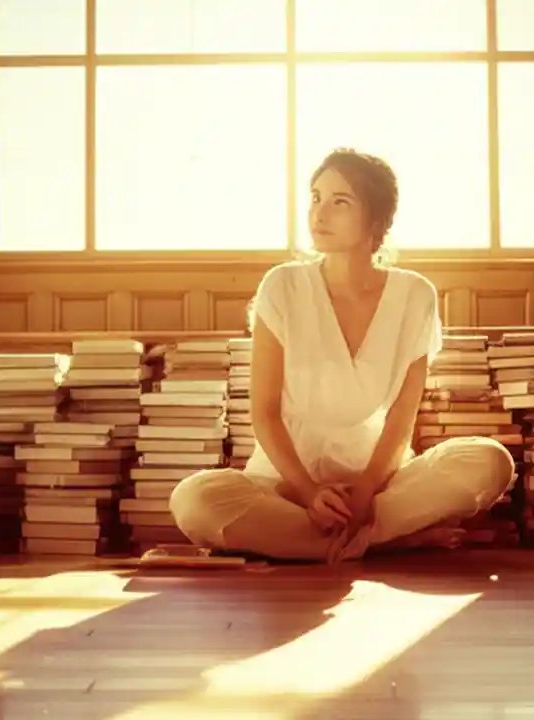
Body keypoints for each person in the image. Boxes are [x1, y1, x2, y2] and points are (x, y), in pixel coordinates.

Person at [168, 148, 516, 563]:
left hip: (378, 487)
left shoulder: (414, 295)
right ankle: (381, 540)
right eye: (316, 197)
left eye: (340, 202)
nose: (319, 213)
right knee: (194, 499)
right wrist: (308, 493)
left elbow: (401, 421)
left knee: (491, 461)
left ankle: (336, 536)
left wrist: (367, 491)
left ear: (377, 221)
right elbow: (264, 413)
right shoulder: (283, 286)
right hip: (285, 488)